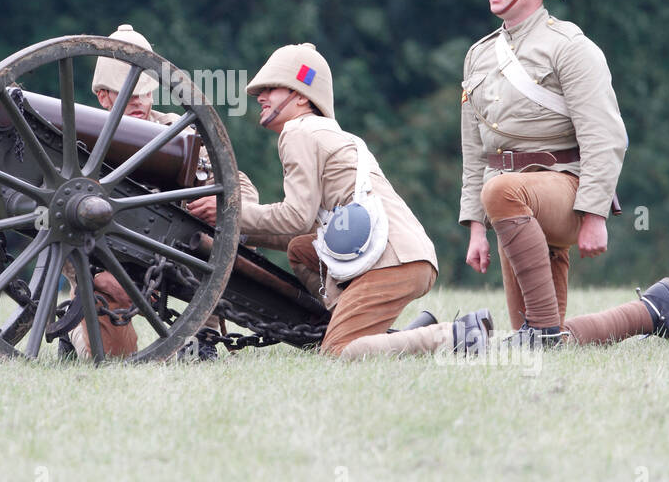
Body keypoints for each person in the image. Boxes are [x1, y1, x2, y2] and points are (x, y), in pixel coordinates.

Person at [189, 43, 493, 358]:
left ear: (301, 96)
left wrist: (229, 212)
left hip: (392, 261)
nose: (261, 97)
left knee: (336, 352)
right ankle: (375, 328)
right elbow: (297, 233)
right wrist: (238, 228)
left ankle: (454, 335)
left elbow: (296, 218)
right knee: (300, 249)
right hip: (404, 255)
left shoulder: (297, 133)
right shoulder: (325, 132)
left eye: (271, 89)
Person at [459, 0, 633, 347]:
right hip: (510, 205)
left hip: (565, 193)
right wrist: (476, 228)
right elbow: (476, 150)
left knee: (501, 190)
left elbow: (605, 136)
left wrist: (594, 215)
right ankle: (647, 314)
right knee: (536, 339)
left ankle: (546, 329)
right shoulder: (478, 55)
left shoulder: (570, 47)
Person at [69, 23, 253, 360]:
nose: (139, 101)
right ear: (103, 97)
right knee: (111, 359)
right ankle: (77, 329)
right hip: (108, 268)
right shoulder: (83, 142)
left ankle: (204, 336)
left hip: (172, 254)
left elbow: (238, 185)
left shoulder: (176, 132)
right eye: (129, 94)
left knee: (208, 238)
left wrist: (224, 204)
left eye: (144, 92)